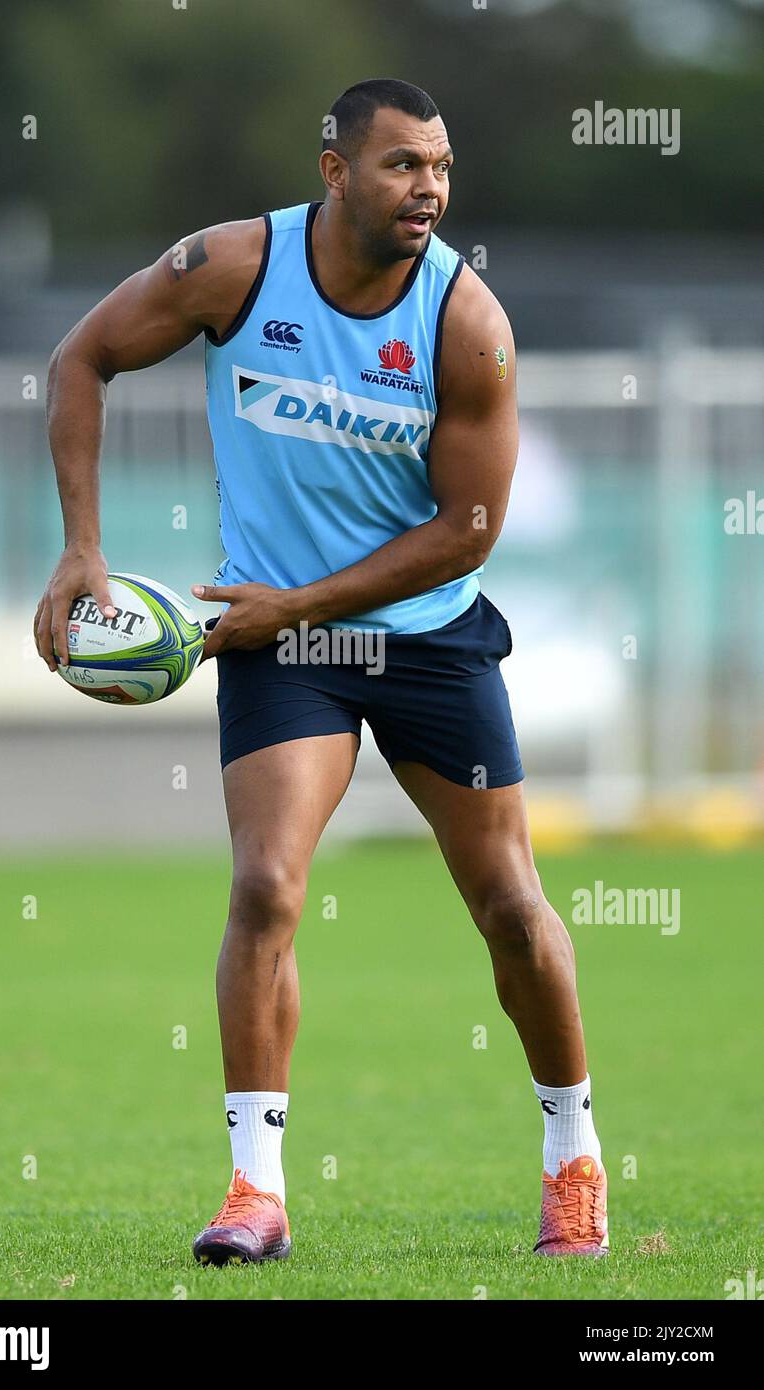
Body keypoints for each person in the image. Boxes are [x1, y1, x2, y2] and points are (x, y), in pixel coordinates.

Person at [35, 78, 608, 1266]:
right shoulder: (229, 270)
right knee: (265, 892)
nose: (430, 189)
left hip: (428, 634)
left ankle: (572, 1157)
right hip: (282, 647)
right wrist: (81, 549)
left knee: (508, 906)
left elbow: (469, 527)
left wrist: (295, 603)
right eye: (402, 165)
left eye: (441, 167)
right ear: (335, 171)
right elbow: (81, 359)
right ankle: (255, 1193)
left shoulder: (465, 322)